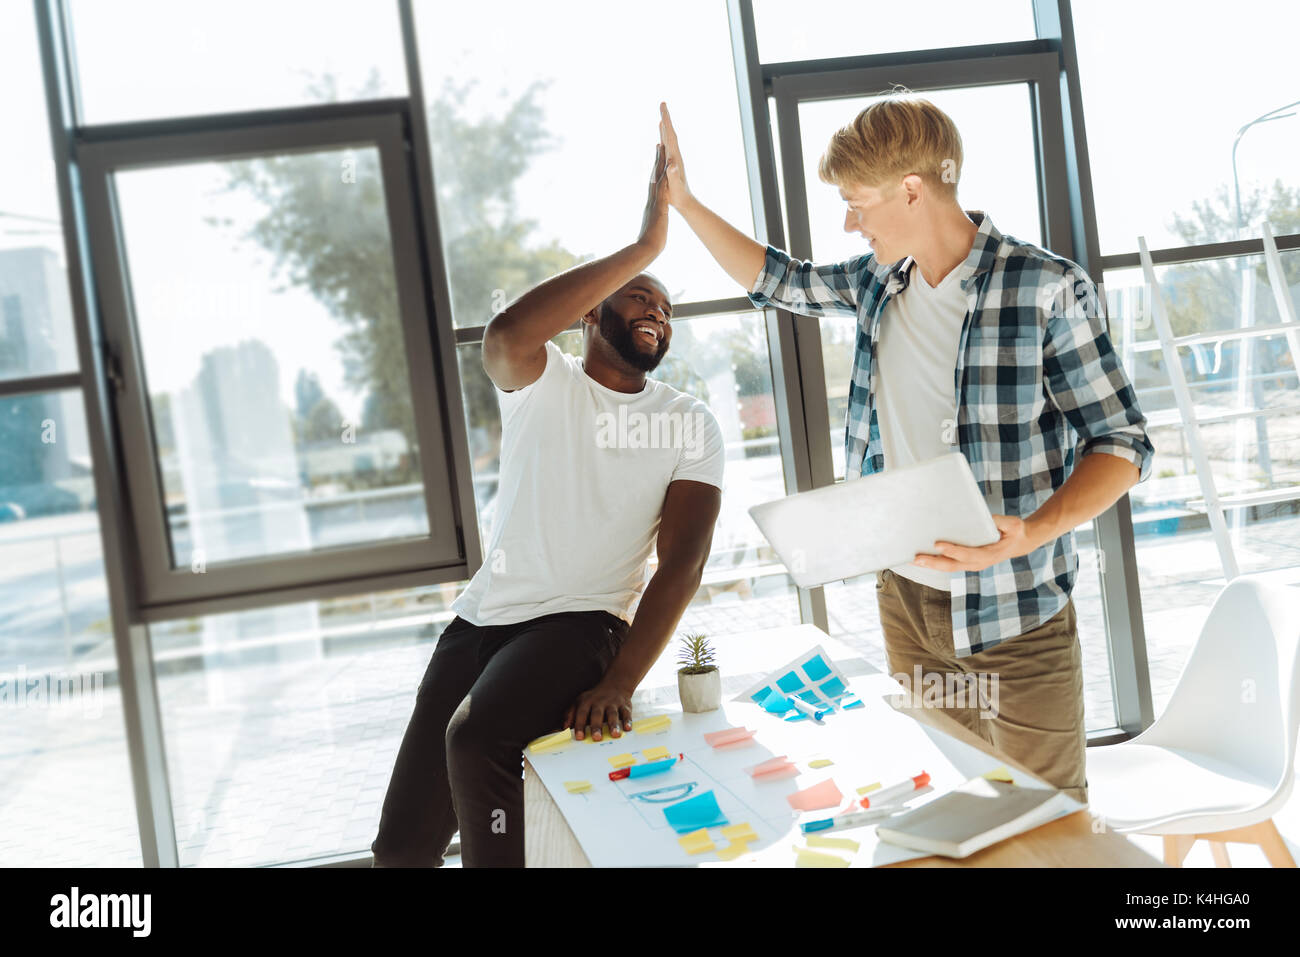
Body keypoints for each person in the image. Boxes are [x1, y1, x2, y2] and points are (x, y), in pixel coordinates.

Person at [658, 96, 1153, 804]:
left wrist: (1031, 533)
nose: (849, 222)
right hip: (908, 605)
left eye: (856, 203)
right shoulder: (876, 284)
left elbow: (1123, 441)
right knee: (955, 807)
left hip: (1015, 612)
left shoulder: (1045, 287)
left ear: (913, 189)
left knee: (1053, 821)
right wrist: (686, 202)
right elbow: (780, 279)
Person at [370, 144, 725, 867]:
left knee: (475, 739)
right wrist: (642, 247)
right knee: (400, 848)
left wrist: (621, 678)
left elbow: (682, 563)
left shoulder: (690, 420)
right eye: (638, 293)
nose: (656, 308)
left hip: (581, 622)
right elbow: (504, 335)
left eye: (665, 305)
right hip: (478, 623)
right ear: (593, 313)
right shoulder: (544, 380)